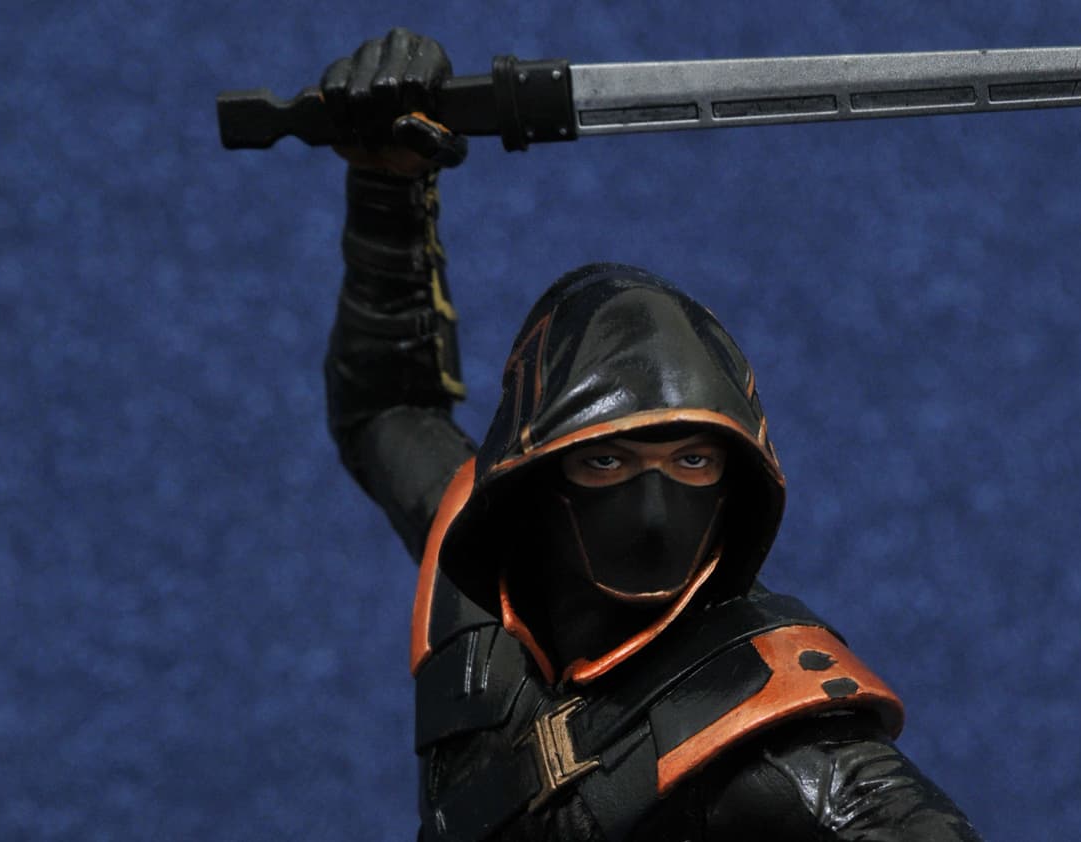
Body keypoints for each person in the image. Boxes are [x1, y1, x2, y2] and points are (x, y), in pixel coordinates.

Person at [322, 28, 983, 842]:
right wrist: (386, 189)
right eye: (607, 460)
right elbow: (385, 409)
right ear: (540, 474)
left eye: (692, 460)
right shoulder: (478, 568)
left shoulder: (785, 747)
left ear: (735, 479)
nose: (652, 507)